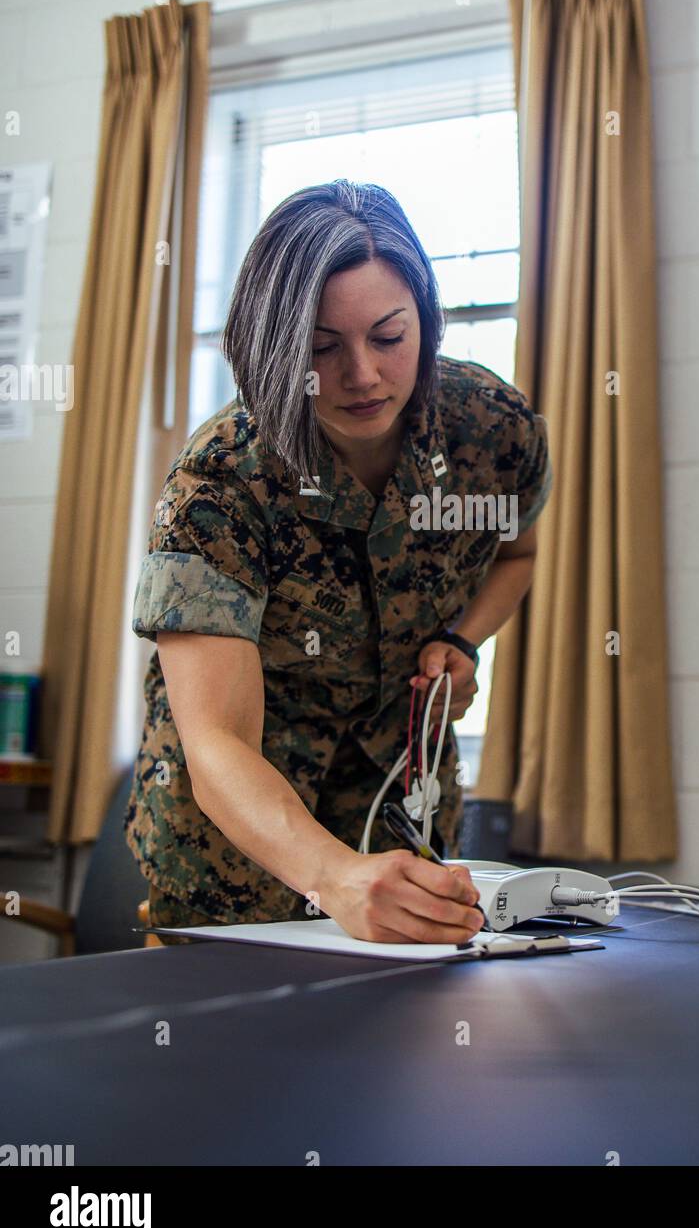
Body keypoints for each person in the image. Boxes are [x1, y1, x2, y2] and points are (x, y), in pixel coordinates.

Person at [125, 179, 553, 945]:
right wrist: (334, 876)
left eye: (389, 336)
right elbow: (217, 742)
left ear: (425, 319)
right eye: (322, 347)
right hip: (240, 841)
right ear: (274, 345)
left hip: (400, 805)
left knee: (399, 1048)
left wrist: (462, 640)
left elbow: (517, 551)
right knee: (229, 1056)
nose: (362, 375)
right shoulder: (220, 482)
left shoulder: (491, 430)